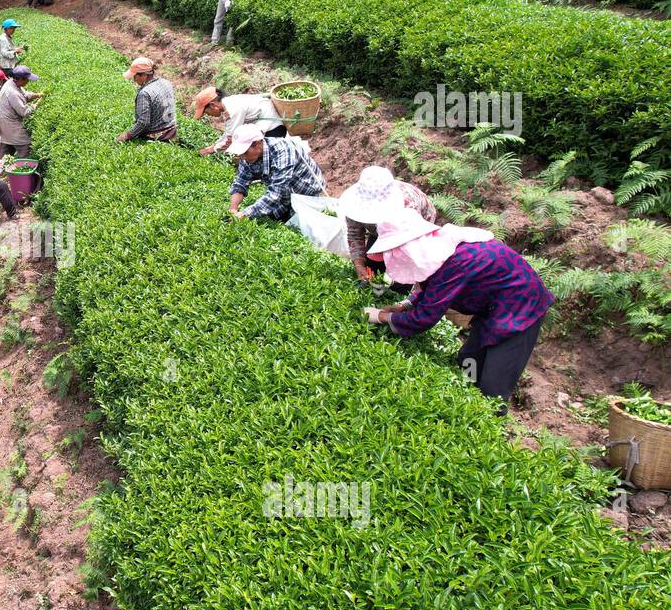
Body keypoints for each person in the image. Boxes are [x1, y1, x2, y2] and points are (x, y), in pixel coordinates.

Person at [364, 208, 553, 412]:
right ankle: (467, 394)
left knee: (493, 387)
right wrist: (405, 304)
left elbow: (424, 319)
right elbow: (435, 288)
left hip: (521, 309)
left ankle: (491, 425)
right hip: (493, 308)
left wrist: (381, 316)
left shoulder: (455, 260)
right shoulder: (438, 248)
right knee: (468, 359)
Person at [338, 166, 437, 292]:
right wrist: (359, 264)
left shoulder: (407, 204)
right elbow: (355, 234)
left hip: (410, 229)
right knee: (373, 269)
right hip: (378, 230)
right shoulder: (355, 203)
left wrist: (394, 273)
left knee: (401, 280)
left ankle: (402, 290)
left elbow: (408, 242)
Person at [225, 126, 327, 223]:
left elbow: (276, 193)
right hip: (285, 198)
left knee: (304, 230)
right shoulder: (246, 158)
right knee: (276, 220)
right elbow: (240, 183)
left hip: (308, 196)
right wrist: (233, 210)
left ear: (258, 143)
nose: (242, 157)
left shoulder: (282, 151)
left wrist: (245, 214)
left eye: (244, 152)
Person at [193, 86, 286, 155]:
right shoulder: (229, 103)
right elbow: (228, 133)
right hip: (266, 128)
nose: (208, 115)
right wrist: (214, 146)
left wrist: (209, 150)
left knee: (268, 159)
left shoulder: (233, 109)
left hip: (272, 129)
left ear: (213, 105)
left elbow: (230, 139)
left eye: (206, 112)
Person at [117, 57, 177, 143]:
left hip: (156, 136)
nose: (134, 80)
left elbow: (143, 122)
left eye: (135, 76)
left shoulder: (145, 93)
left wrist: (127, 135)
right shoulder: (166, 83)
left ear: (144, 75)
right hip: (172, 131)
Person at [0, 66, 42, 158]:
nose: (28, 81)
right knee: (25, 147)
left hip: (4, 127)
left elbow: (24, 95)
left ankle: (3, 171)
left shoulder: (11, 83)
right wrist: (37, 104)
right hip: (12, 128)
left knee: (5, 156)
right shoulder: (12, 92)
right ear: (21, 79)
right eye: (27, 79)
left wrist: (37, 95)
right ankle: (23, 170)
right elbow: (25, 112)